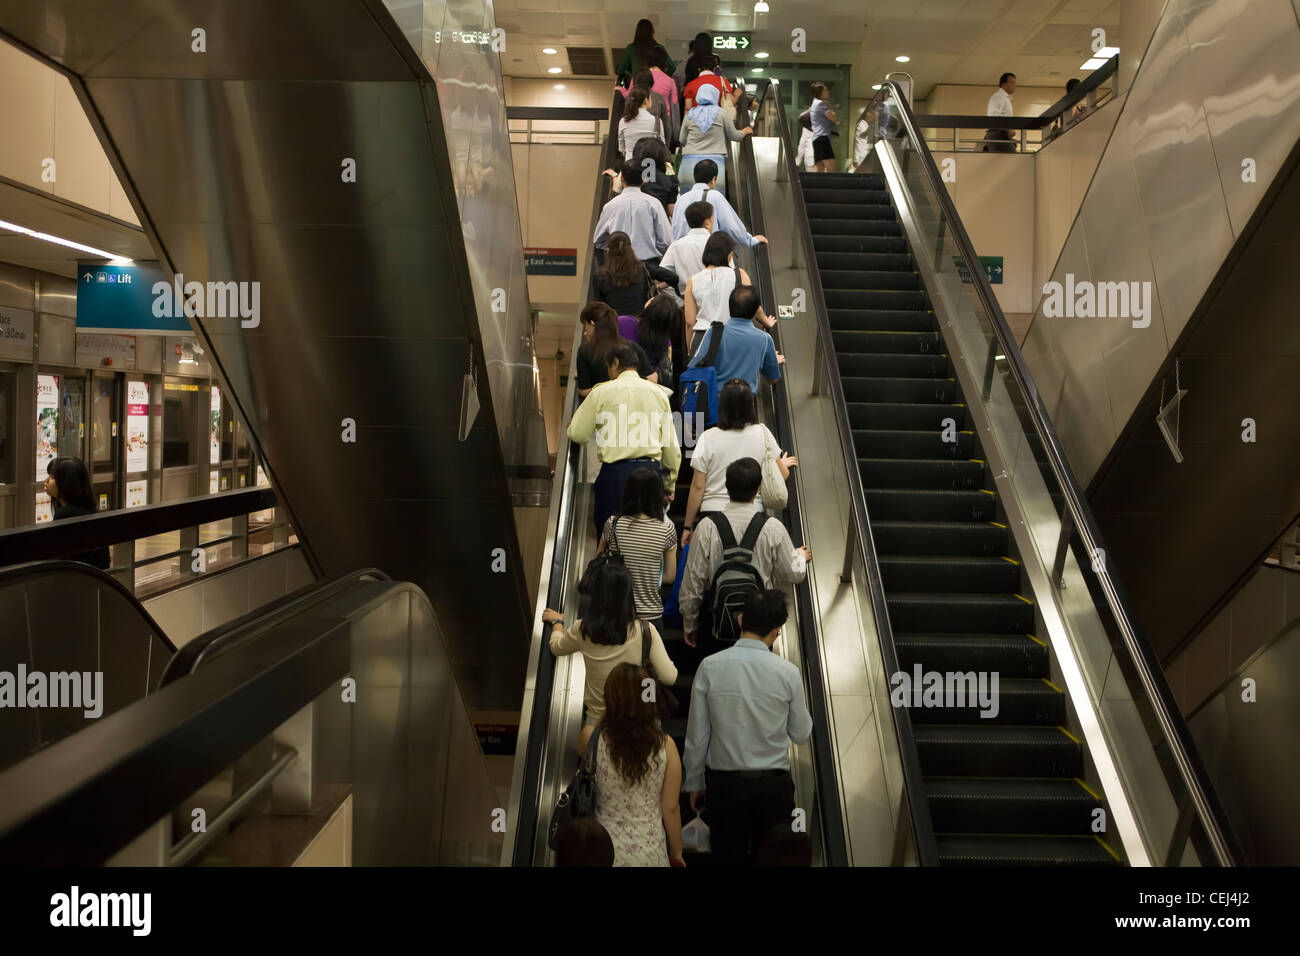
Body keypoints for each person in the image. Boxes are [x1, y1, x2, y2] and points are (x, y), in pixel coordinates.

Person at [683, 588, 813, 867]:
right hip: (774, 787)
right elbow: (801, 734)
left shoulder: (709, 667)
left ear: (741, 620)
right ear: (777, 631)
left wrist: (694, 782)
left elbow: (697, 735)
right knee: (776, 860)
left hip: (725, 785)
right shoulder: (788, 672)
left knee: (727, 859)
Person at [542, 565, 678, 754]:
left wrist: (557, 624)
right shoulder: (646, 631)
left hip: (599, 727)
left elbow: (556, 648)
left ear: (597, 594)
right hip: (641, 726)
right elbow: (669, 677)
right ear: (629, 595)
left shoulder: (583, 629)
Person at [678, 459, 810, 651]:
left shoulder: (706, 527)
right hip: (759, 630)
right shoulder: (773, 528)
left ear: (727, 487)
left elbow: (693, 581)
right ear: (757, 489)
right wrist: (799, 557)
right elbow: (795, 574)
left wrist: (689, 623)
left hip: (717, 626)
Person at [568, 341, 681, 537]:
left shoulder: (601, 391)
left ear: (616, 363)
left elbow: (578, 434)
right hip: (651, 475)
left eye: (608, 367)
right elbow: (671, 446)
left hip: (615, 475)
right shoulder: (658, 393)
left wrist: (572, 427)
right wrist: (669, 484)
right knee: (647, 540)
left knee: (610, 538)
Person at [682, 379, 794, 547]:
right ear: (751, 405)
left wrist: (687, 526)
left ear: (722, 406)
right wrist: (782, 464)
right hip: (752, 516)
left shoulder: (707, 437)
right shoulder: (762, 433)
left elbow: (698, 486)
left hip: (712, 517)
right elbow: (782, 474)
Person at [592, 663, 684, 867]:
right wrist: (677, 852)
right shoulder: (666, 746)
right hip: (650, 852)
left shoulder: (592, 739)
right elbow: (670, 807)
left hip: (603, 852)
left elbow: (600, 725)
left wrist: (613, 708)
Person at [599, 466, 678, 633]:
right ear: (658, 494)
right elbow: (670, 577)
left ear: (628, 491)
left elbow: (598, 561)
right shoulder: (667, 529)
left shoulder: (612, 524)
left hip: (617, 616)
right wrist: (648, 576)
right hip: (650, 618)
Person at [683, 232, 771, 356]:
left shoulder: (692, 281)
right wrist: (766, 322)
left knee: (704, 375)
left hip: (702, 340)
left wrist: (690, 351)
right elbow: (753, 306)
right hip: (732, 338)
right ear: (729, 255)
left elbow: (690, 322)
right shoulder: (739, 274)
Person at [686, 285, 781, 394]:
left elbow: (695, 366)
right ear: (755, 312)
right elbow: (772, 379)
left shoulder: (714, 332)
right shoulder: (765, 339)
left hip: (715, 402)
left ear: (730, 307)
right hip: (745, 403)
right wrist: (772, 361)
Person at [672, 159, 766, 248]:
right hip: (708, 254)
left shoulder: (681, 199)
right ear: (714, 179)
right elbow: (731, 227)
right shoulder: (714, 195)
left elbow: (675, 231)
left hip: (684, 254)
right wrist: (750, 240)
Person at [593, 162, 673, 263]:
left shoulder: (610, 206)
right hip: (648, 265)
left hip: (617, 265)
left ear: (621, 180)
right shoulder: (653, 204)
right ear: (644, 180)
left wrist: (615, 253)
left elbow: (599, 241)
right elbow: (666, 240)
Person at [575, 302, 655, 399]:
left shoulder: (585, 351)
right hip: (633, 404)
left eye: (586, 325)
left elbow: (584, 391)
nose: (586, 329)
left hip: (605, 409)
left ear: (592, 324)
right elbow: (652, 378)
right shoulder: (631, 346)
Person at [677, 85, 748, 194]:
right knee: (714, 201)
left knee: (688, 201)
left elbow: (682, 139)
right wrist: (745, 131)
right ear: (715, 96)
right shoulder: (722, 113)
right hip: (714, 164)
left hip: (689, 163)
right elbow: (734, 136)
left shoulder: (689, 114)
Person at [44, 457, 110, 569]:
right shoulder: (86, 510)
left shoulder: (67, 514)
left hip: (81, 579)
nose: (46, 480)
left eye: (52, 477)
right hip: (95, 577)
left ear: (66, 482)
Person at [594, 232, 679, 319]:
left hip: (615, 325)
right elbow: (673, 277)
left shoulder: (600, 275)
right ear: (630, 249)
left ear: (608, 251)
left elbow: (600, 306)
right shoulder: (642, 268)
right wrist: (656, 286)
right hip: (641, 322)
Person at [659, 200, 713, 295]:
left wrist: (679, 302)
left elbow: (662, 279)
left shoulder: (676, 246)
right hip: (714, 300)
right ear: (707, 223)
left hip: (685, 299)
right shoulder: (718, 243)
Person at [638, 293, 684, 390]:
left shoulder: (625, 323)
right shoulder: (665, 339)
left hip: (631, 379)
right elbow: (667, 367)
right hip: (654, 384)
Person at [616, 18, 675, 87]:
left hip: (637, 86)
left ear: (637, 32)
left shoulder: (631, 48)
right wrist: (663, 77)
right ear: (652, 32)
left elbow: (620, 70)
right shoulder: (659, 48)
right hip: (657, 86)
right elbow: (672, 68)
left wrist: (631, 75)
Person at [632, 137, 679, 218]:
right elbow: (671, 211)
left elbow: (618, 189)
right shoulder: (670, 179)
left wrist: (614, 176)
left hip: (634, 219)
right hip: (659, 220)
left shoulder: (631, 172)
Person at [617, 87, 665, 162]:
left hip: (630, 165)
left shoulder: (623, 121)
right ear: (646, 100)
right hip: (649, 165)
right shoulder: (656, 120)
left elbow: (621, 149)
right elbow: (662, 144)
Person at [645, 48, 681, 148]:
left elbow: (629, 96)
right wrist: (676, 134)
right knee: (662, 155)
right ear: (663, 61)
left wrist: (620, 90)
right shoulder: (670, 81)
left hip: (642, 119)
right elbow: (675, 109)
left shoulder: (639, 77)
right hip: (664, 121)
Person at [983, 72, 1017, 154]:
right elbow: (993, 117)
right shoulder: (998, 97)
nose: (1014, 85)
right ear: (1003, 84)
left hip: (1001, 133)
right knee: (1012, 159)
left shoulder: (1005, 98)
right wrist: (1008, 129)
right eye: (1012, 83)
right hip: (997, 134)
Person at [808, 82, 837, 173]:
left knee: (819, 169)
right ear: (820, 92)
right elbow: (833, 117)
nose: (828, 92)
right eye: (826, 90)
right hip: (822, 139)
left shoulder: (815, 103)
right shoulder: (820, 104)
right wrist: (828, 104)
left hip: (817, 139)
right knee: (831, 169)